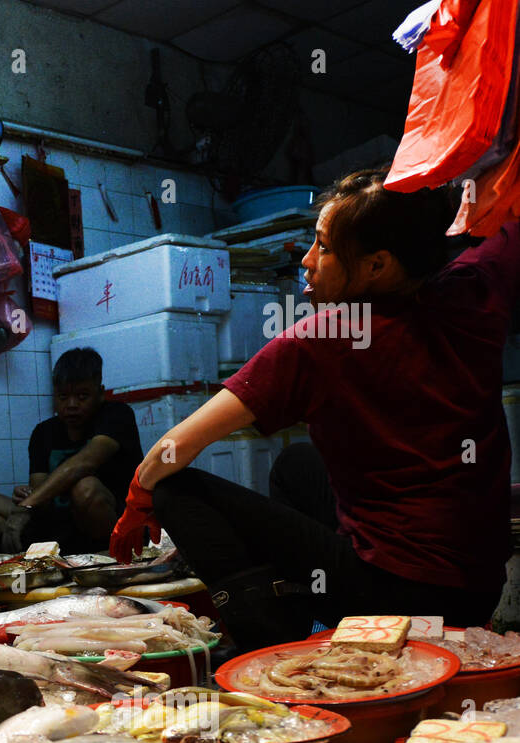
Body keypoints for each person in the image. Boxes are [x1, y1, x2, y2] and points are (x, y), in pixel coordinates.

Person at [111, 168, 515, 651]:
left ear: (377, 266)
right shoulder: (470, 287)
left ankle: (273, 643)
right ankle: (304, 600)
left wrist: (138, 500)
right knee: (296, 466)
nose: (306, 261)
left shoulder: (323, 338)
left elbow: (174, 448)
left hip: (399, 596)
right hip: (479, 588)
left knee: (173, 490)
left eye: (323, 248)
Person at [0, 347, 143, 555]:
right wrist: (28, 497)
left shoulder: (117, 416)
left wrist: (28, 504)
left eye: (82, 396)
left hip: (111, 529)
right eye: (63, 397)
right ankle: (32, 565)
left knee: (85, 488)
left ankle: (106, 559)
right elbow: (40, 499)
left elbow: (85, 463)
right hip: (59, 532)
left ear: (100, 394)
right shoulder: (43, 432)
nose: (71, 405)